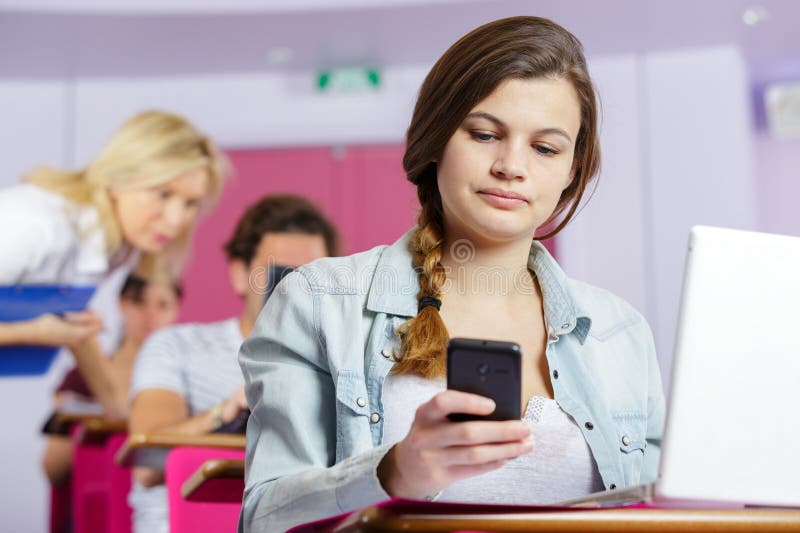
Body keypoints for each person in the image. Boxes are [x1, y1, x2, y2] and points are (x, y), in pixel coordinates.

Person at [238, 16, 665, 532]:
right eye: (485, 134)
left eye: (545, 148)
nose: (511, 165)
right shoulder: (319, 301)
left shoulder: (619, 332)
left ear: (573, 168)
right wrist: (395, 472)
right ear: (437, 139)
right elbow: (263, 519)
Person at [127, 194, 340, 533]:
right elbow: (146, 464)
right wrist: (225, 412)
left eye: (312, 278)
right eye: (281, 275)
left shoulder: (341, 365)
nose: (296, 291)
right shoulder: (176, 347)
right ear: (240, 274)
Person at [0, 110, 225, 417]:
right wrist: (34, 331)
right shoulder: (39, 228)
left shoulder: (112, 247)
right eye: (162, 193)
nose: (176, 220)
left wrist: (129, 420)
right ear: (119, 179)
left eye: (190, 203)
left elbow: (72, 330)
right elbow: (55, 329)